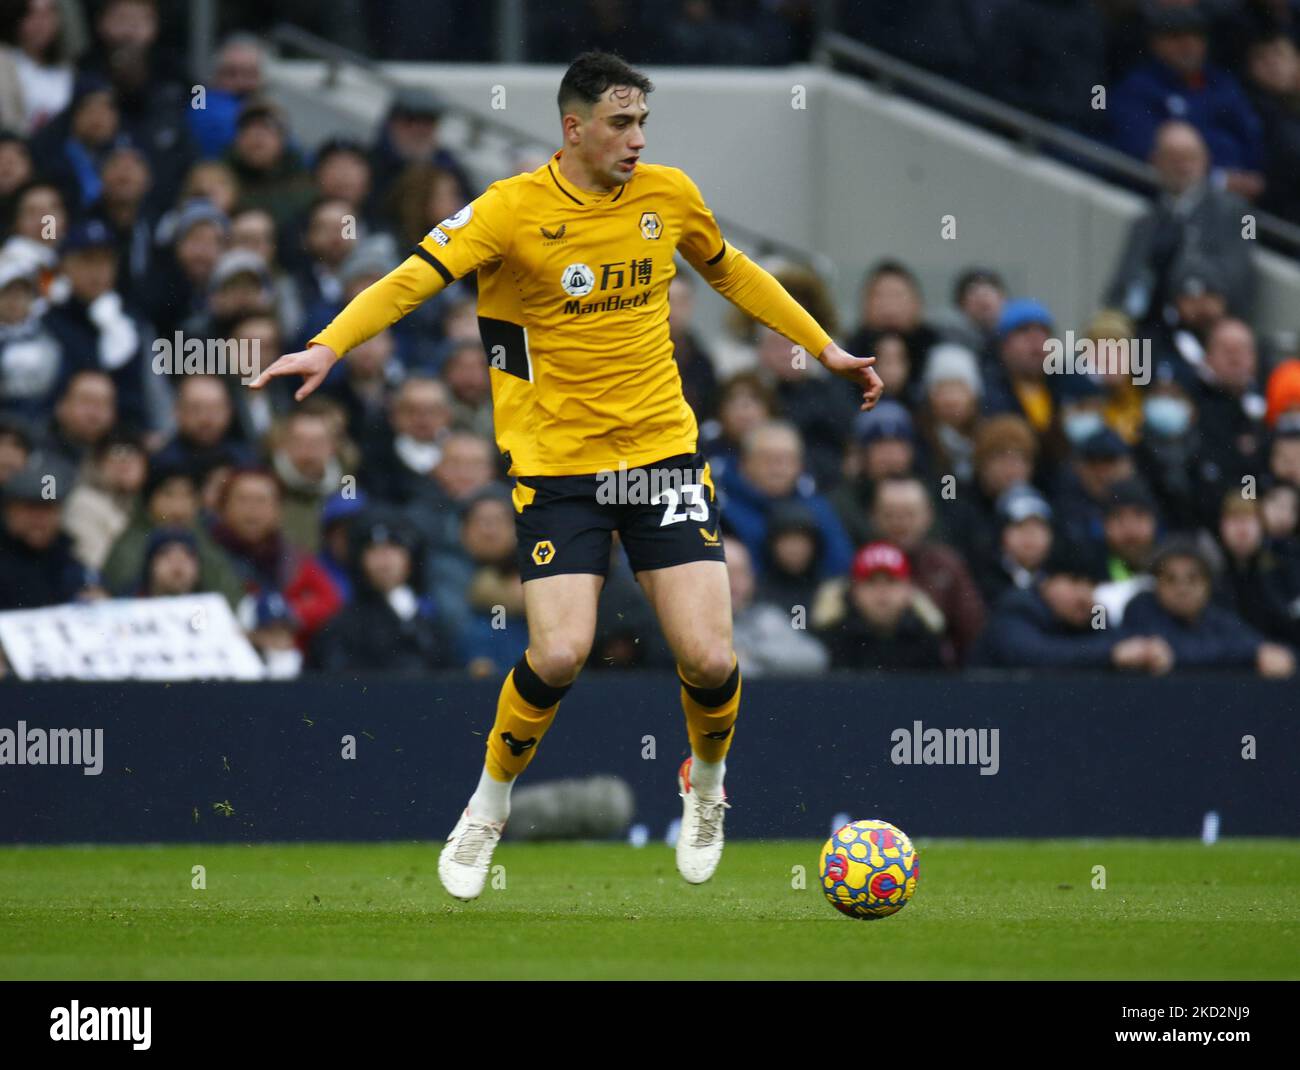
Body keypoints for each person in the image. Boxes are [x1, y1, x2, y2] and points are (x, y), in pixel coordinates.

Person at [250, 51, 883, 899]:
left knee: (709, 656)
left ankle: (705, 786)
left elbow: (730, 268)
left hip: (660, 455)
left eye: (643, 123)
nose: (636, 138)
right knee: (557, 653)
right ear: (573, 126)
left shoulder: (668, 196)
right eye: (620, 123)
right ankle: (487, 807)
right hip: (556, 470)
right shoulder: (510, 210)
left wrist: (825, 347)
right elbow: (413, 277)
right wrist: (330, 343)